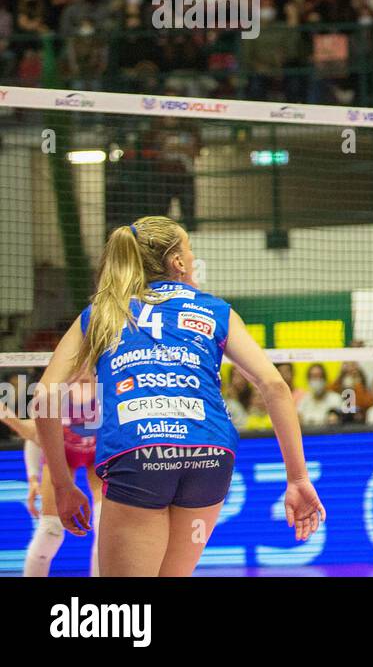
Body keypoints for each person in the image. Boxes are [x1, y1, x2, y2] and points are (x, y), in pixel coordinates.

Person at [33, 217, 324, 576]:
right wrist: (297, 478)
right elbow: (275, 386)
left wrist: (62, 485)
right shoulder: (216, 309)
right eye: (190, 250)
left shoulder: (102, 312)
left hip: (139, 452)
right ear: (178, 263)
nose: (193, 256)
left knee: (125, 619)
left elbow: (44, 396)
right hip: (209, 454)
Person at [2, 391, 106, 577]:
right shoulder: (54, 390)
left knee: (105, 532)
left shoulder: (107, 383)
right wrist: (33, 478)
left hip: (97, 455)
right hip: (62, 454)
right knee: (50, 531)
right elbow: (36, 434)